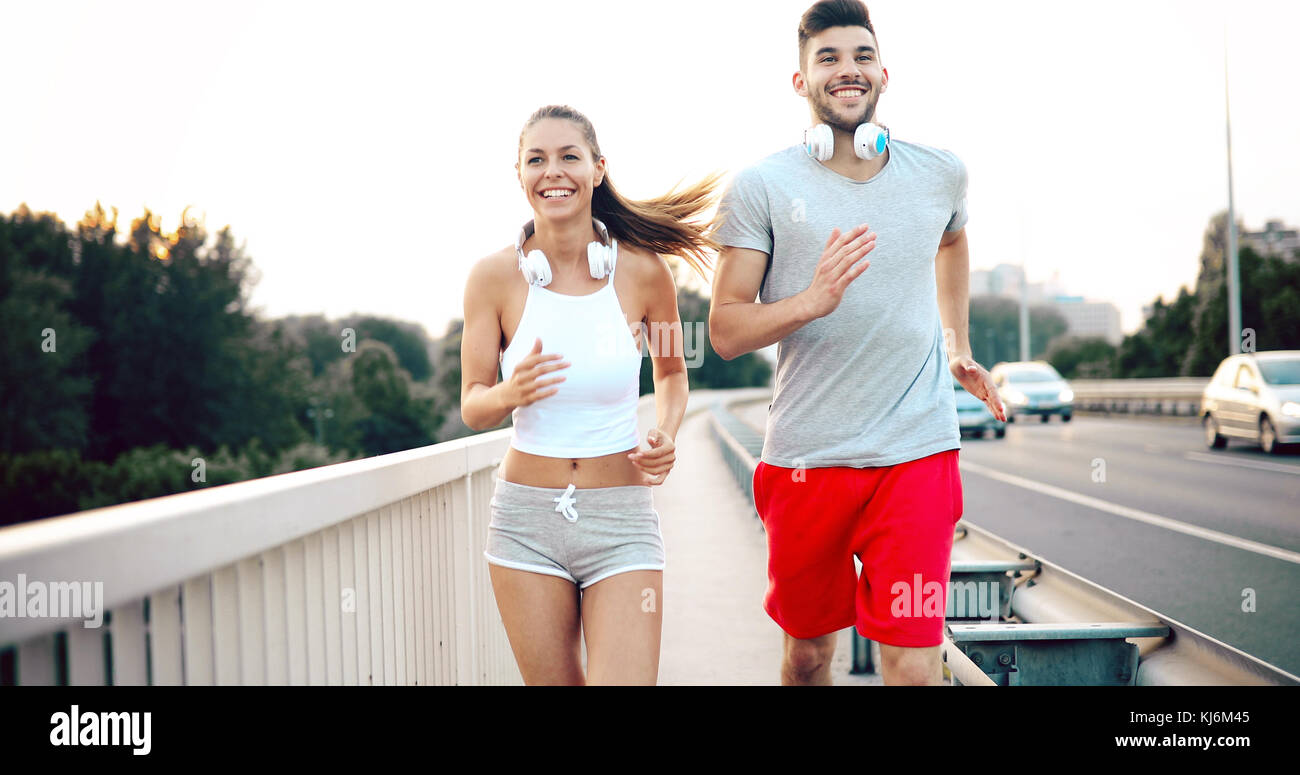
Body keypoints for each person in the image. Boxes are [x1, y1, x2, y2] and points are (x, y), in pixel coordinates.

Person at [708, 0, 1005, 686]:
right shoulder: (763, 186)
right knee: (809, 656)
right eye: (830, 58)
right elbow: (724, 329)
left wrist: (955, 344)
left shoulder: (940, 172)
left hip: (917, 453)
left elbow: (953, 239)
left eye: (862, 56)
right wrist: (811, 301)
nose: (849, 70)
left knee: (911, 662)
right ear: (800, 80)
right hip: (807, 461)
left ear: (884, 73)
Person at [460, 105, 719, 685]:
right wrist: (509, 392)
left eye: (569, 157)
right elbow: (472, 403)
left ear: (598, 169)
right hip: (525, 524)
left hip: (621, 521)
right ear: (520, 175)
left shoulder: (646, 274)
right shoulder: (491, 279)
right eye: (537, 159)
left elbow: (673, 374)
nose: (553, 172)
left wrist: (667, 433)